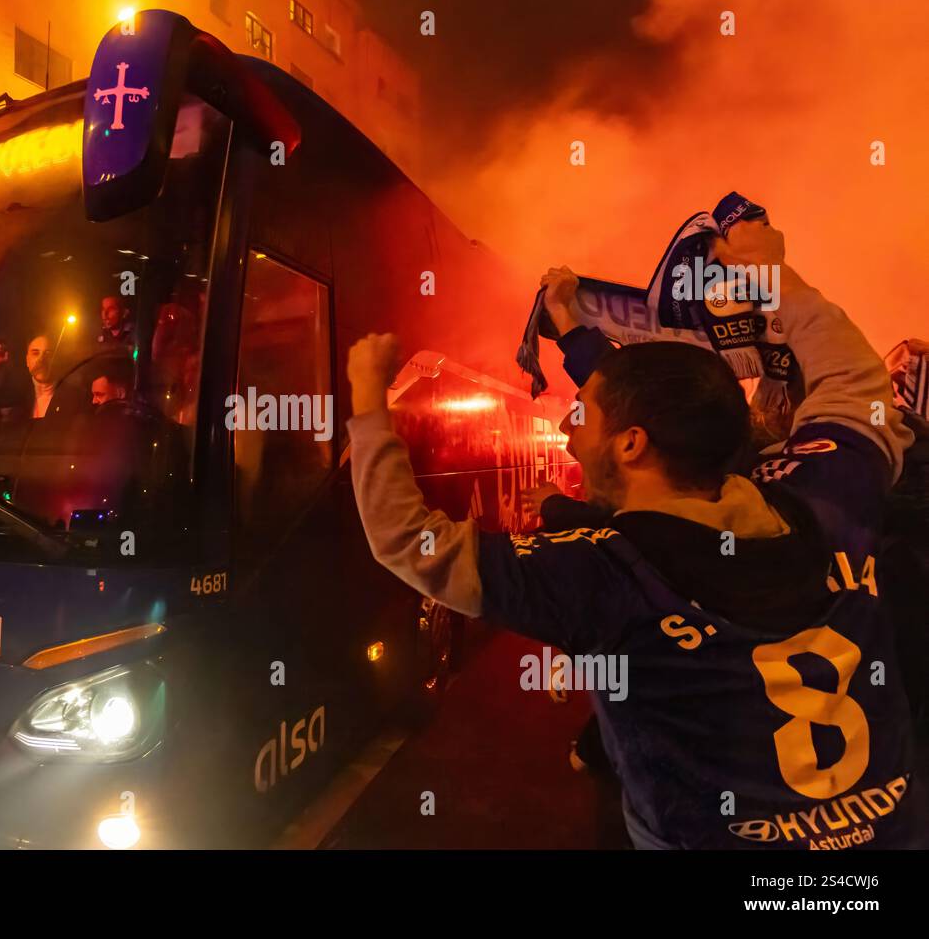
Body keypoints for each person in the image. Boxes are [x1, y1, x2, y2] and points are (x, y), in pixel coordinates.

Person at [346, 218, 921, 849]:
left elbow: (405, 539)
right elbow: (854, 381)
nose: (568, 429)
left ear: (632, 443)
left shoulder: (599, 573)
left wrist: (369, 401)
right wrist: (768, 269)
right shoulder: (828, 492)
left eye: (582, 417)